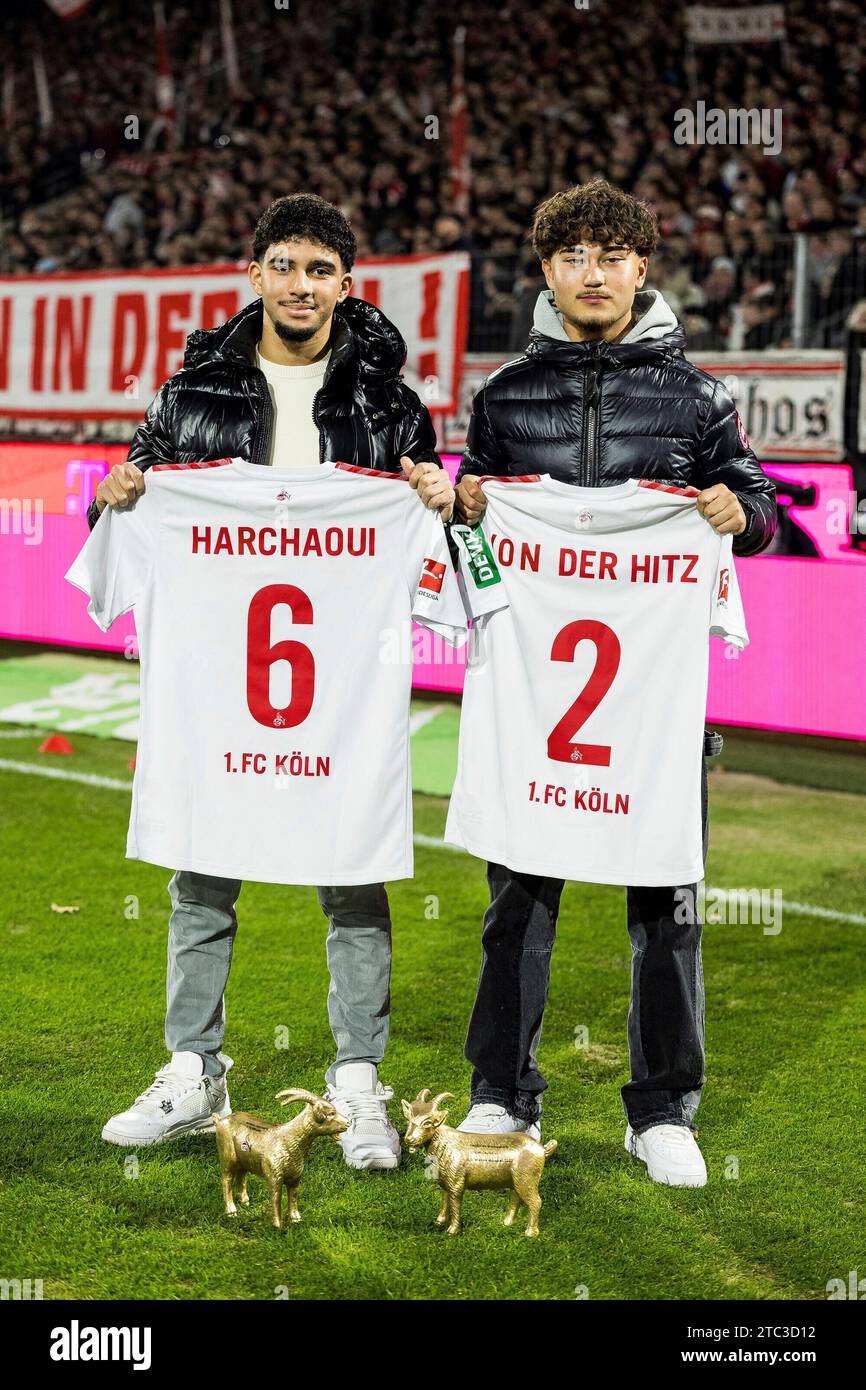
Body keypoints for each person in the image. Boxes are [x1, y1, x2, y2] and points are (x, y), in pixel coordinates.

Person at [90, 193, 455, 1168]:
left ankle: (356, 1081)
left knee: (353, 877)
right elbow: (124, 525)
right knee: (201, 870)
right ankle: (192, 1066)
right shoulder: (188, 396)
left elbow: (440, 549)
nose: (300, 285)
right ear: (253, 274)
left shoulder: (388, 403)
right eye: (284, 265)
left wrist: (434, 498)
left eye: (319, 270)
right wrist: (116, 497)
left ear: (347, 283)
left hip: (339, 689)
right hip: (218, 685)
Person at [452, 177, 777, 1187]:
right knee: (514, 908)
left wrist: (739, 513)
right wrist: (464, 506)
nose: (592, 274)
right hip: (535, 704)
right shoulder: (503, 396)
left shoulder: (698, 398)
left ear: (641, 267)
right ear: (546, 273)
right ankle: (500, 1089)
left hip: (650, 707)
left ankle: (660, 1109)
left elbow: (760, 507)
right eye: (571, 257)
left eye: (611, 255)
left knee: (666, 909)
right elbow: (470, 531)